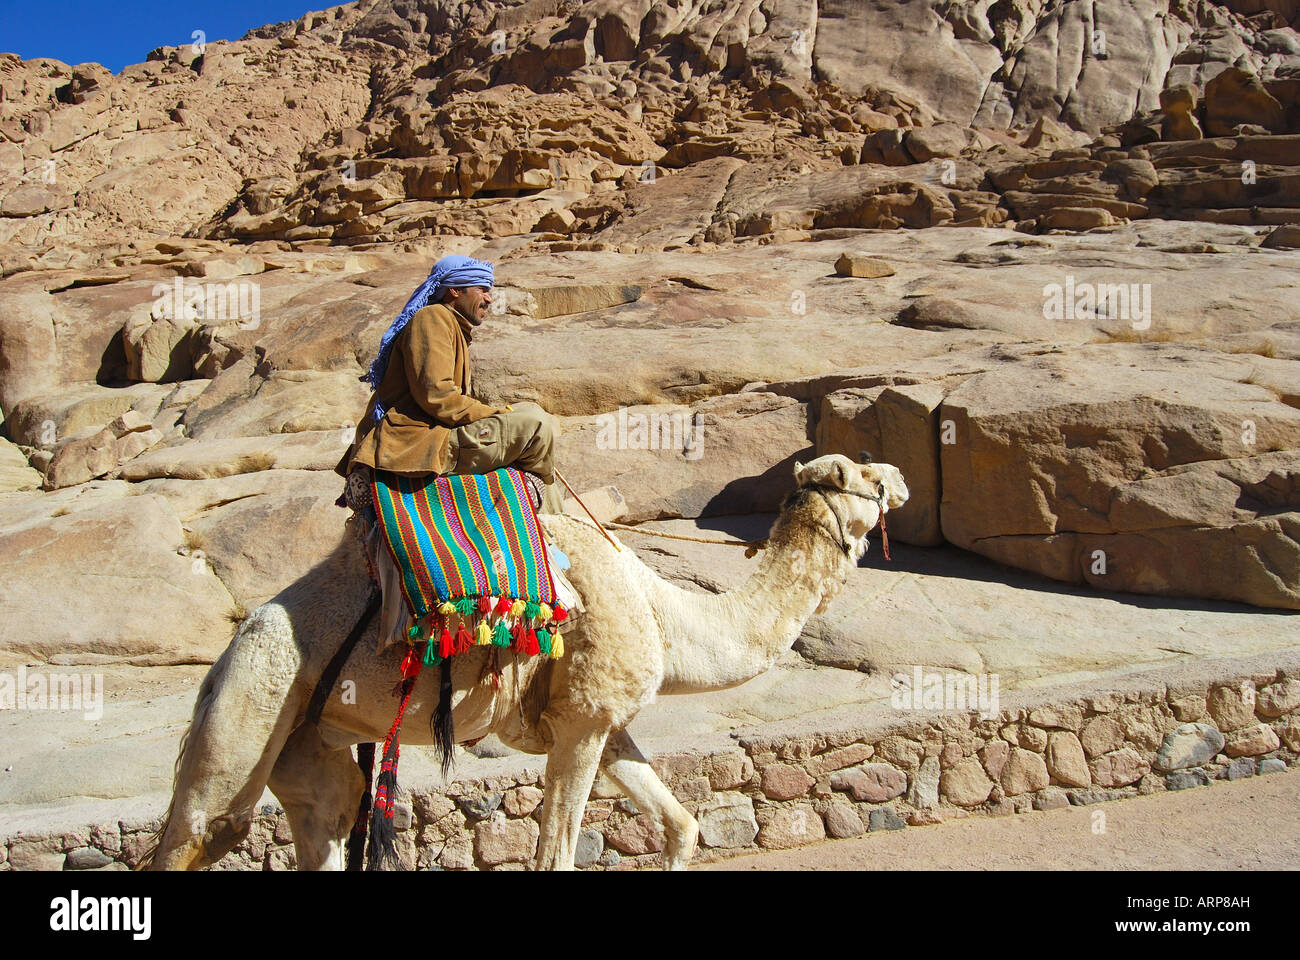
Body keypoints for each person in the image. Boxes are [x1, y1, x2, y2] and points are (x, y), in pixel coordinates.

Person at [335, 255, 569, 648]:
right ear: (454, 290)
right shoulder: (433, 320)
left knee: (530, 422)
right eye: (483, 290)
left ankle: (540, 536)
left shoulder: (453, 327)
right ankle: (553, 534)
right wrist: (496, 415)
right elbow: (436, 396)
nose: (490, 299)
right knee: (536, 426)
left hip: (432, 434)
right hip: (417, 441)